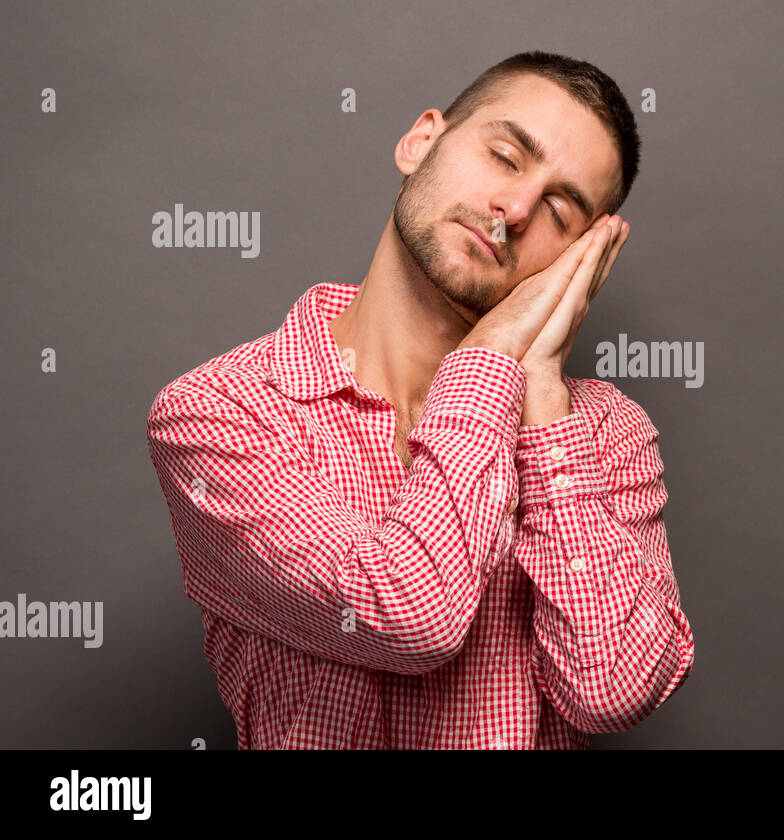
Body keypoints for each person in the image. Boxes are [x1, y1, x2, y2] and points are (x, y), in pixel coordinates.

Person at [145, 51, 694, 749]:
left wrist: (544, 402)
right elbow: (410, 612)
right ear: (421, 141)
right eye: (503, 155)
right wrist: (489, 357)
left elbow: (614, 691)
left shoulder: (603, 433)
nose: (515, 211)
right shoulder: (221, 411)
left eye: (559, 211)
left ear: (581, 257)